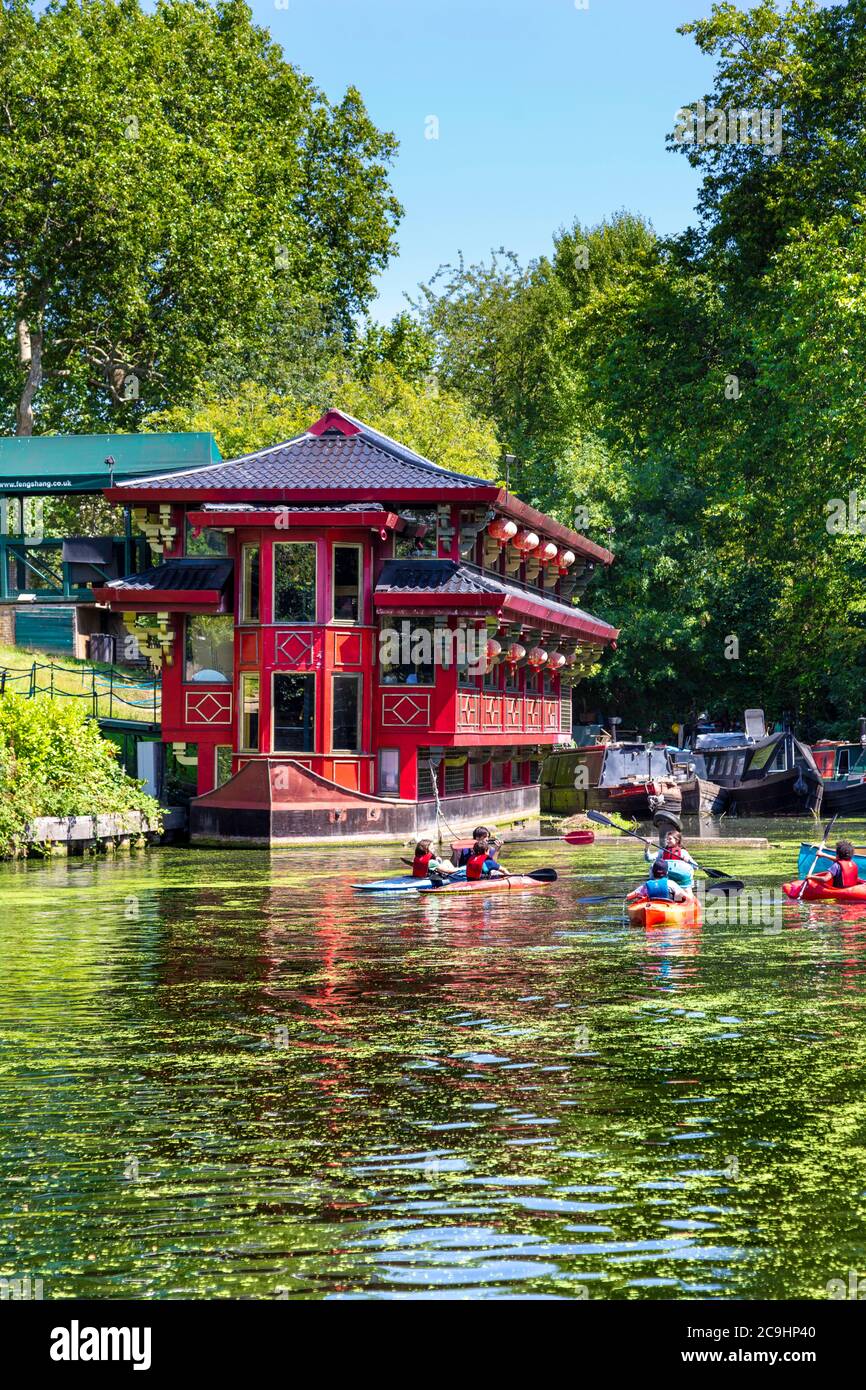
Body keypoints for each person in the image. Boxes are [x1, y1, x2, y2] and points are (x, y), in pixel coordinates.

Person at [627, 861, 692, 904]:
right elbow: (688, 898)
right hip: (668, 908)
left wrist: (640, 897)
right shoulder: (671, 883)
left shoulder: (646, 885)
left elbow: (628, 896)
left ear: (652, 872)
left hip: (651, 907)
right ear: (666, 872)